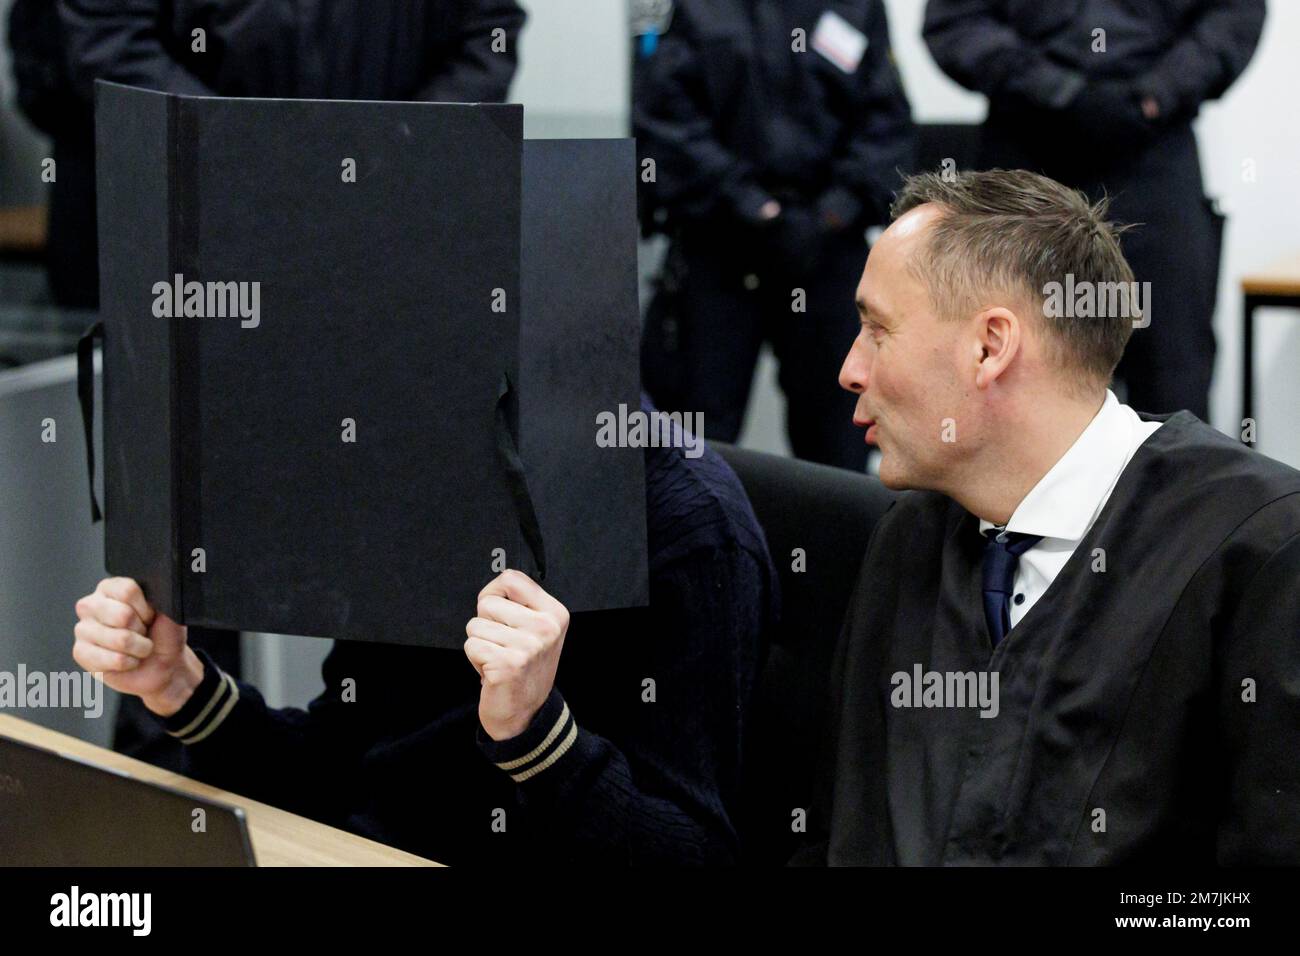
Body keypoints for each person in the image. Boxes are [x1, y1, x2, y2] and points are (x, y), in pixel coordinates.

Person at [56, 0, 528, 768]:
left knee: (413, 519)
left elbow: (486, 33)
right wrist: (253, 152)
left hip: (394, 231)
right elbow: (106, 34)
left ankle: (397, 786)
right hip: (198, 227)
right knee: (178, 550)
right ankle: (171, 780)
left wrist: (383, 156)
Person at [800, 169, 1300, 865]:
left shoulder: (1262, 557)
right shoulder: (910, 534)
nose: (850, 369)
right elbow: (837, 839)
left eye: (877, 329)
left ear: (989, 347)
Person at [72, 405, 779, 865]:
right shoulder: (415, 476)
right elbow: (348, 768)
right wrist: (184, 692)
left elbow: (697, 856)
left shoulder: (689, 529)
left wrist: (536, 738)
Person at [922, 0, 1267, 422]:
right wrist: (1054, 90)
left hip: (1152, 152)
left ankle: (1166, 489)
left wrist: (1154, 95)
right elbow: (954, 21)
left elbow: (1233, 15)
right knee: (1006, 354)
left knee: (1170, 368)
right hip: (1027, 151)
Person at [633, 0, 914, 470]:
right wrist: (750, 206)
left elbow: (886, 122)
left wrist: (831, 214)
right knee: (685, 446)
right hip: (717, 246)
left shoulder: (858, 6)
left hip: (825, 248)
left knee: (840, 447)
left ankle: (838, 547)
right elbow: (664, 120)